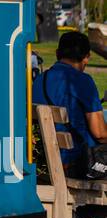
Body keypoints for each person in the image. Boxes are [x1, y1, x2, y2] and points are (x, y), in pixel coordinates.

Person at [33, 30, 107, 179]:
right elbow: (100, 134)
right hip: (79, 164)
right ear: (86, 57)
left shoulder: (40, 80)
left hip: (45, 161)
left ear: (57, 53)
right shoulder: (83, 81)